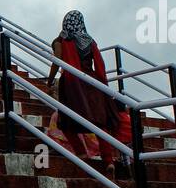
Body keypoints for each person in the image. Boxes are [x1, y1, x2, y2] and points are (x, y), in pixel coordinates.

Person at [45, 10, 130, 178]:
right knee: (100, 124)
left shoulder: (61, 39)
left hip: (71, 84)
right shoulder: (90, 41)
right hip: (92, 84)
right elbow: (100, 65)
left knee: (66, 121)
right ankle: (109, 161)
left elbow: (57, 60)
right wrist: (103, 87)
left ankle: (81, 153)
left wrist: (50, 80)